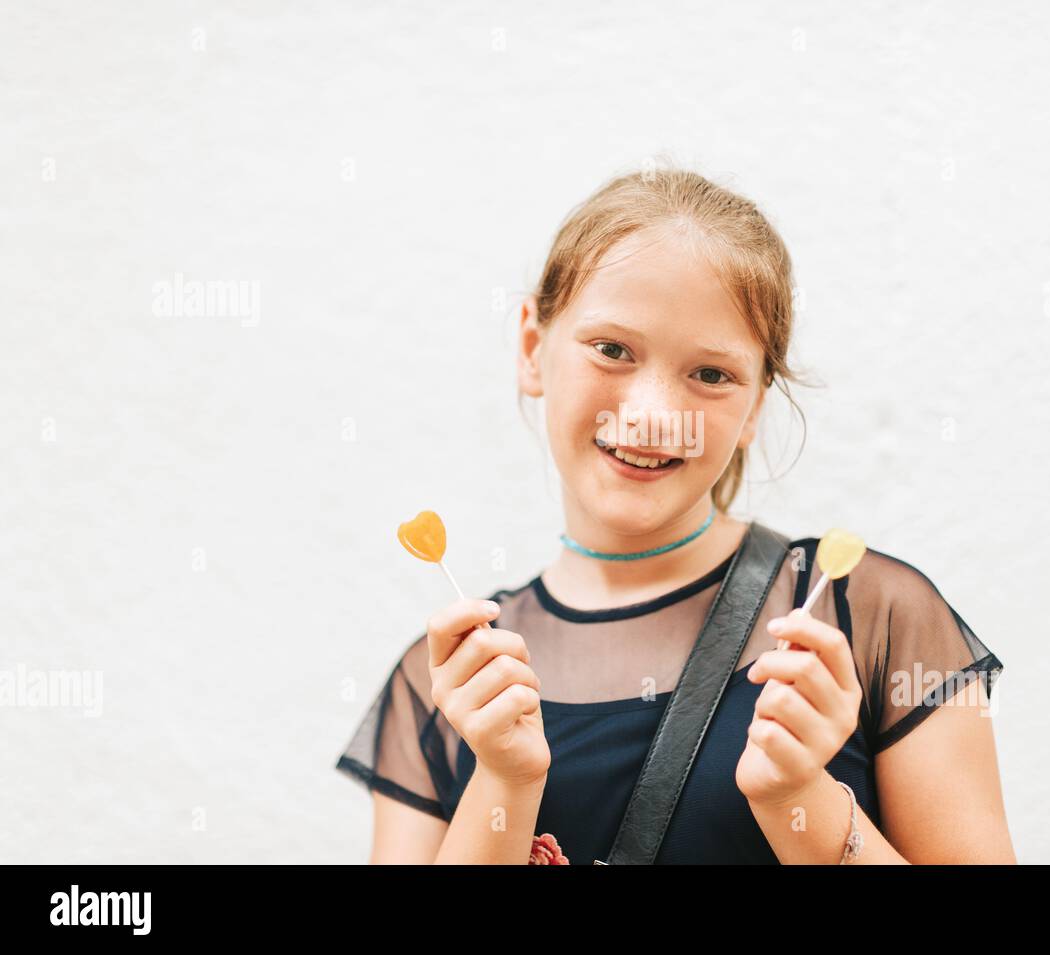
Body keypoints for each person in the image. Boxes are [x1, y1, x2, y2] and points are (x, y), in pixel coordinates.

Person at [335, 165, 1015, 864]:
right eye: (613, 350)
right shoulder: (443, 681)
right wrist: (505, 783)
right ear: (533, 349)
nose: (653, 416)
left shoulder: (868, 618)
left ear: (754, 406)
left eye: (711, 374)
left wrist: (798, 798)